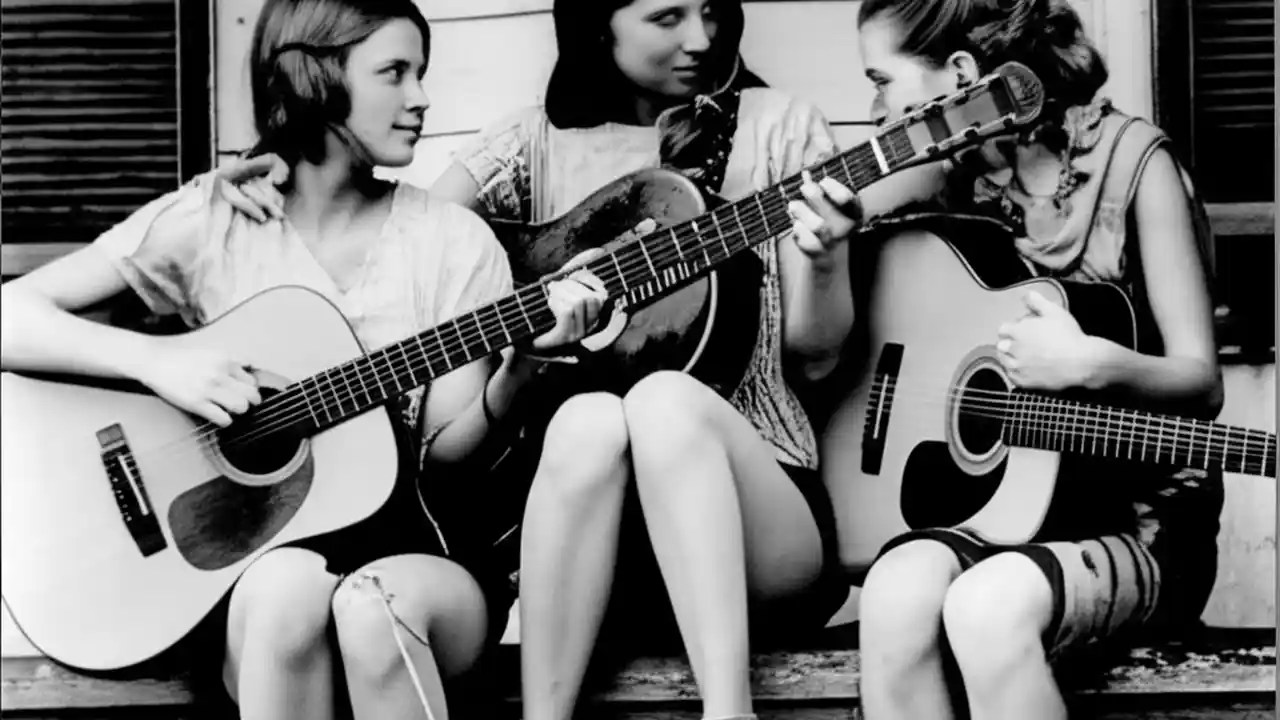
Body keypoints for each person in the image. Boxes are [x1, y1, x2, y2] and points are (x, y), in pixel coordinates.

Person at [0, 1, 607, 719]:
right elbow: (12, 316)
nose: (421, 97)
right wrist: (156, 362)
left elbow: (445, 462)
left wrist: (522, 366)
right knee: (284, 587)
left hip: (417, 553)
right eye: (394, 72)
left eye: (421, 72)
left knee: (372, 606)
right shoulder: (218, 220)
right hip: (250, 566)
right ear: (315, 78)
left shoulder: (450, 241)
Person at [428, 2, 862, 719]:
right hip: (594, 552)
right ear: (598, 21)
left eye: (711, 11)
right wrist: (275, 180)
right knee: (587, 420)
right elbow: (410, 239)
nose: (701, 39)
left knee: (662, 401)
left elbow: (815, 359)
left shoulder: (777, 129)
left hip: (756, 525)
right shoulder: (531, 146)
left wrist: (826, 257)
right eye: (667, 17)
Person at [813, 1, 1225, 718]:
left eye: (882, 82)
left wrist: (1090, 363)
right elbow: (834, 223)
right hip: (1001, 512)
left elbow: (1202, 383)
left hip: (1136, 521)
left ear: (961, 75)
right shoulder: (953, 170)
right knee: (894, 591)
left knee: (988, 607)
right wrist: (827, 238)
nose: (875, 109)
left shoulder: (1135, 163)